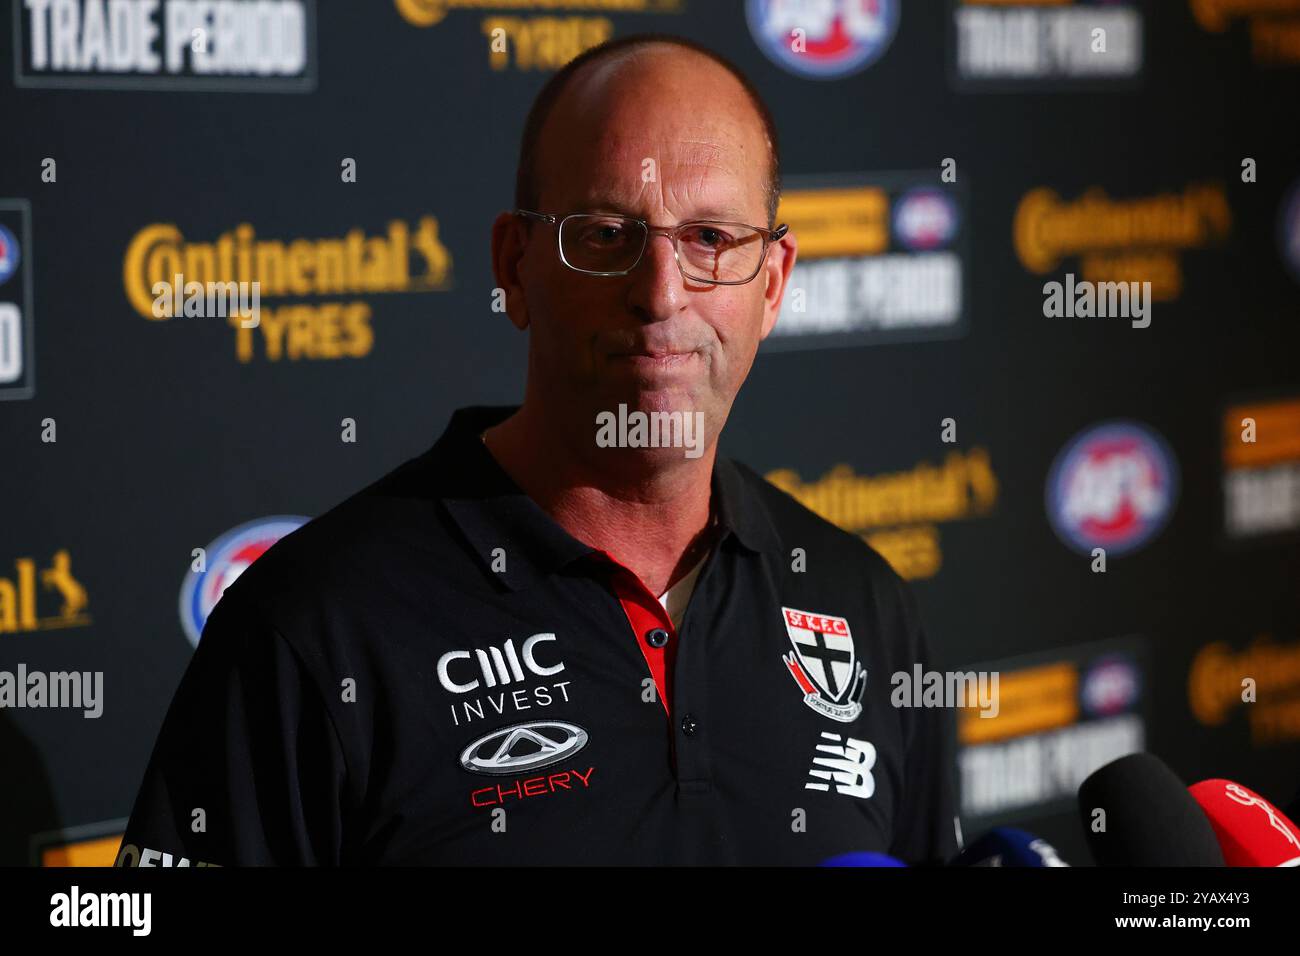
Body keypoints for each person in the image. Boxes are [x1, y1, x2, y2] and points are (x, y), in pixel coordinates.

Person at [116, 33, 960, 866]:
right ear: (514, 268)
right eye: (603, 234)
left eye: (709, 240)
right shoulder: (311, 629)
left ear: (772, 284)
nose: (661, 294)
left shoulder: (863, 604)